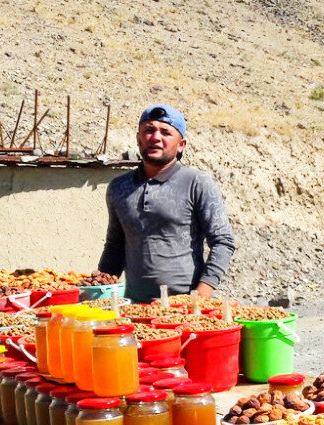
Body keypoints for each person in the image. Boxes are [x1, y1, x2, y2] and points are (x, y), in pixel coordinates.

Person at [99, 104, 236, 304]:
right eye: (149, 130)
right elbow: (115, 246)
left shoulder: (197, 183)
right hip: (134, 307)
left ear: (181, 145)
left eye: (165, 132)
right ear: (139, 139)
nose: (155, 137)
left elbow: (223, 242)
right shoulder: (119, 187)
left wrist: (201, 297)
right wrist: (99, 287)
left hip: (184, 307)